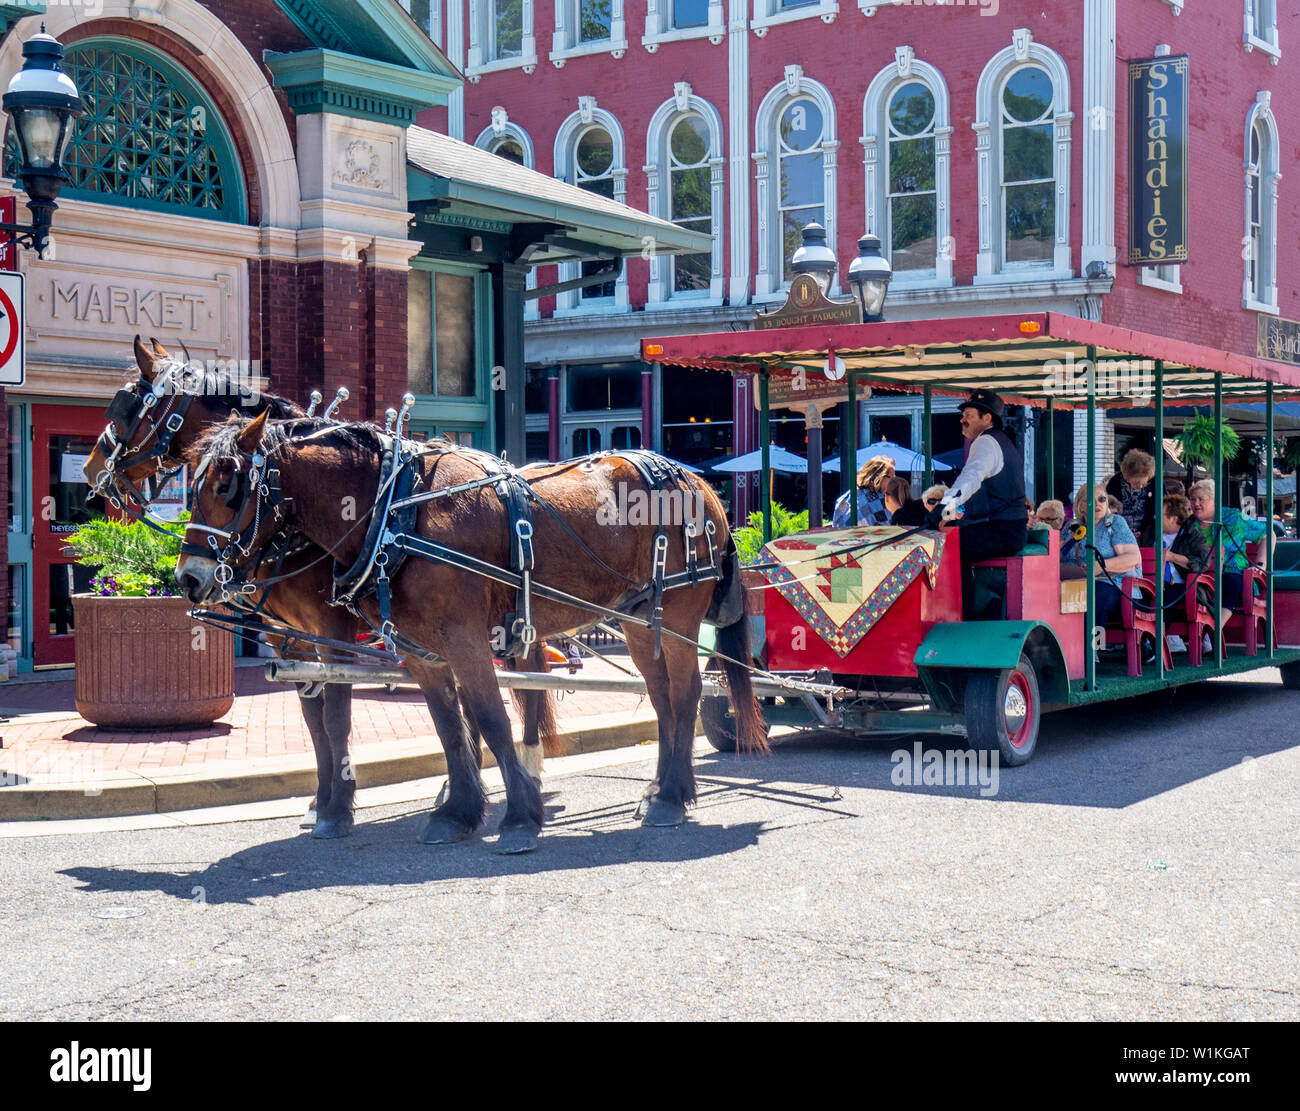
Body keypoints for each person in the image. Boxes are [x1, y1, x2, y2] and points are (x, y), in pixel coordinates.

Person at [930, 389, 1029, 619]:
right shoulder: (999, 441)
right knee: (954, 539)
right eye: (963, 414)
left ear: (987, 418)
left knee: (948, 547)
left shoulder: (986, 442)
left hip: (1002, 530)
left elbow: (970, 478)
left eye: (969, 414)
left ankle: (965, 613)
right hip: (1004, 528)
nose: (962, 419)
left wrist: (944, 508)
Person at [1060, 484, 1142, 630]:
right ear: (1081, 506)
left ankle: (1094, 648)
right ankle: (1066, 649)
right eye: (1090, 500)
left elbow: (1133, 558)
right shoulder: (1071, 527)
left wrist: (1101, 566)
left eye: (1102, 499)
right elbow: (1056, 557)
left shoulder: (1114, 522)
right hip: (1076, 584)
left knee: (1094, 596)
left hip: (1116, 586)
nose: (1098, 503)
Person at [1187, 479, 1272, 613]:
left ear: (1214, 500)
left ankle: (1216, 628)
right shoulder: (1189, 524)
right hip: (1201, 576)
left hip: (1233, 574)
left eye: (1201, 499)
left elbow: (1268, 534)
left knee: (1229, 582)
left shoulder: (1234, 517)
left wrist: (1260, 564)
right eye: (1192, 499)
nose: (1196, 503)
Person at [1106, 448, 1157, 546]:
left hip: (1147, 536)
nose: (1140, 487)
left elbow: (1162, 505)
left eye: (1144, 484)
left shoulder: (1155, 482)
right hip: (1120, 535)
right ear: (1127, 476)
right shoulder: (1115, 483)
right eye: (1136, 483)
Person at [832, 454, 894, 527]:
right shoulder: (879, 500)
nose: (893, 481)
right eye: (890, 477)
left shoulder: (849, 496)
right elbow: (888, 530)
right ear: (878, 477)